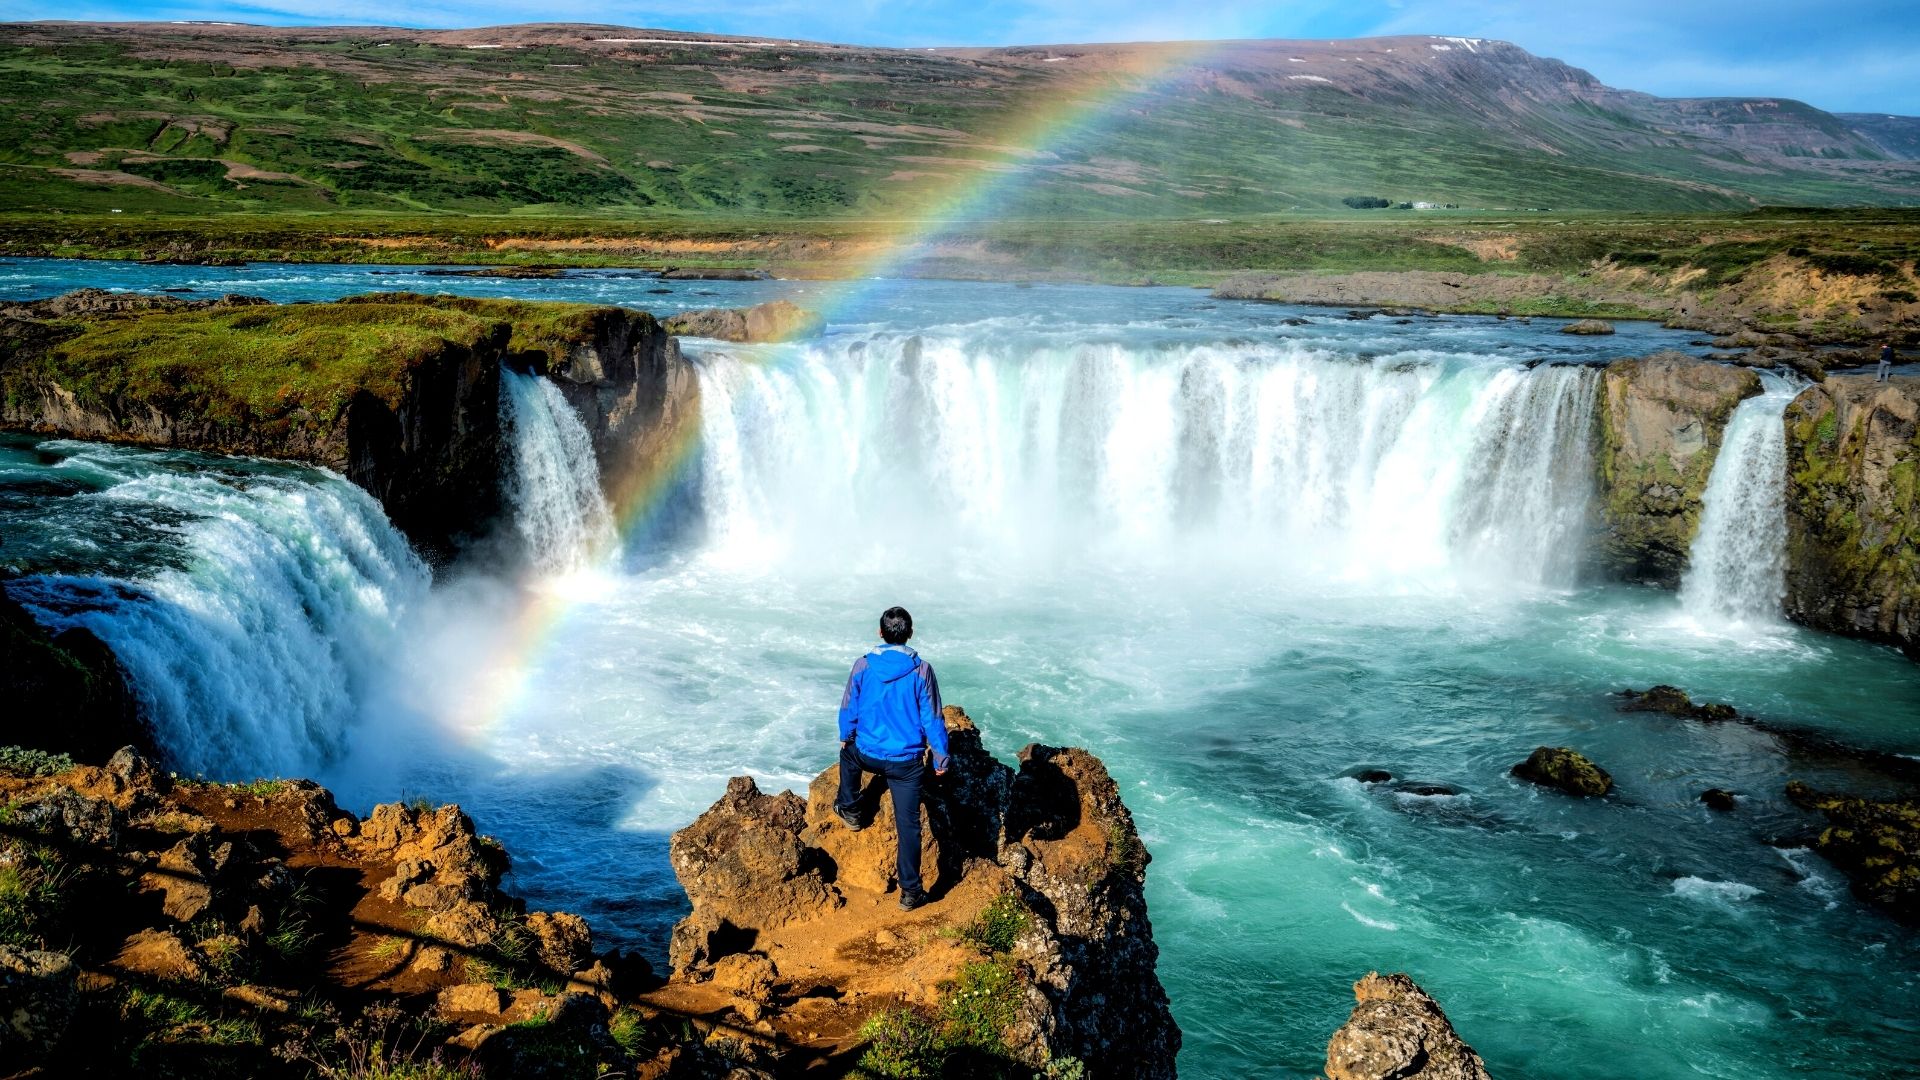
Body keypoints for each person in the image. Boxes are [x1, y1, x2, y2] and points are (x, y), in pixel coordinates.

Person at [835, 606, 949, 910]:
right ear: (909, 634)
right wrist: (940, 760)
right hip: (906, 764)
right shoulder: (922, 670)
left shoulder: (863, 665)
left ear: (880, 633)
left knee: (847, 755)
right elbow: (933, 718)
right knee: (908, 826)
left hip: (867, 755)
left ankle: (851, 810)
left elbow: (849, 708)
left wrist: (847, 735)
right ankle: (910, 892)